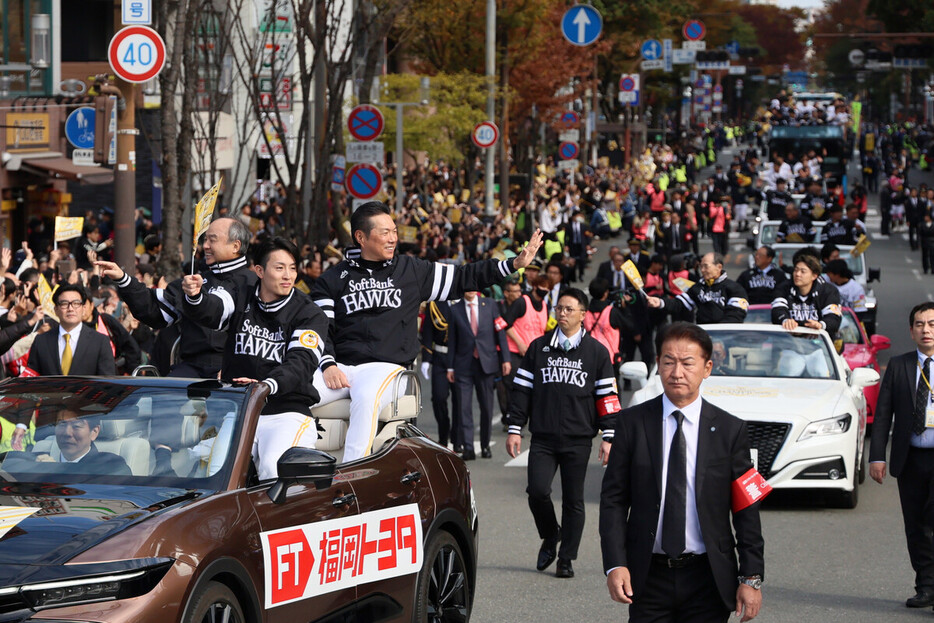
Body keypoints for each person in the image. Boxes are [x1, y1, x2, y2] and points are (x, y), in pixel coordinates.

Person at [310, 202, 543, 462]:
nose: (393, 238)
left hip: (385, 368)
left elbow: (464, 276)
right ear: (360, 237)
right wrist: (328, 364)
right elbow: (320, 329)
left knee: (365, 398)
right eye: (385, 232)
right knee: (291, 392)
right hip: (339, 368)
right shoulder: (331, 280)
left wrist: (513, 264)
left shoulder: (411, 271)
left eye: (394, 231)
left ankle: (351, 475)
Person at [600, 322, 764, 622]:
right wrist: (615, 563)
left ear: (707, 367)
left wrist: (750, 577)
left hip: (708, 576)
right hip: (648, 575)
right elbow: (613, 500)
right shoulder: (632, 423)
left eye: (688, 363)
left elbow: (746, 509)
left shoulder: (730, 430)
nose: (677, 372)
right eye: (668, 362)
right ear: (658, 364)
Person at [181, 237, 328, 480]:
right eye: (279, 268)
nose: (288, 276)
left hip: (287, 412)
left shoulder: (310, 314)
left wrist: (265, 386)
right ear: (259, 270)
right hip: (242, 410)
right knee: (213, 473)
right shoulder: (241, 294)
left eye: (292, 268)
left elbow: (301, 363)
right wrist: (196, 296)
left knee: (274, 468)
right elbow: (214, 312)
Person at [505, 288, 620, 579]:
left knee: (573, 500)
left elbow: (607, 397)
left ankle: (566, 558)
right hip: (543, 437)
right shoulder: (539, 347)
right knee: (537, 492)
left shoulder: (596, 352)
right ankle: (550, 533)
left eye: (569, 309)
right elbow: (522, 391)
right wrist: (515, 429)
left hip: (578, 439)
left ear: (583, 314)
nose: (563, 313)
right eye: (560, 308)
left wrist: (609, 436)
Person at [97, 217, 256, 378]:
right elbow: (155, 309)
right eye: (205, 239)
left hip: (239, 373)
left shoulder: (255, 285)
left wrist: (233, 367)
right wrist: (124, 280)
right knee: (163, 399)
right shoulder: (194, 280)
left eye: (212, 240)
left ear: (236, 246)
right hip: (190, 370)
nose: (205, 245)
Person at [870, 303, 934, 608]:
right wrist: (877, 456)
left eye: (932, 324)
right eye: (920, 325)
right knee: (915, 524)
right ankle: (926, 585)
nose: (926, 330)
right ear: (911, 331)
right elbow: (883, 414)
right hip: (911, 458)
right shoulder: (900, 365)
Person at [445, 291, 510, 460]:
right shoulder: (454, 310)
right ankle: (468, 447)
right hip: (463, 365)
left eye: (473, 286)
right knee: (464, 407)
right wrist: (450, 367)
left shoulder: (489, 305)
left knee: (487, 407)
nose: (470, 290)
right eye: (466, 287)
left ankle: (485, 444)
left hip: (486, 363)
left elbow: (500, 333)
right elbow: (451, 340)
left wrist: (506, 359)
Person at [26, 284, 116, 377]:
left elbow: (107, 381)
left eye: (76, 303)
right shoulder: (41, 341)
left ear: (83, 308)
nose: (70, 309)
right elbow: (32, 381)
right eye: (64, 304)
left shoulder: (100, 341)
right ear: (56, 310)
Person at [646, 252, 749, 324]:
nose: (702, 270)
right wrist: (660, 303)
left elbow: (736, 315)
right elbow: (679, 304)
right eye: (701, 267)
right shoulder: (697, 288)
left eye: (706, 266)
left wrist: (719, 334)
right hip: (703, 336)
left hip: (725, 337)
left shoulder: (735, 288)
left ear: (719, 267)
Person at [35, 409, 131, 475]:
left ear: (94, 432)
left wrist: (55, 472)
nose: (67, 433)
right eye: (62, 424)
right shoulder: (38, 460)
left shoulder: (112, 466)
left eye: (76, 426)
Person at [419, 300, 461, 450]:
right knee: (438, 397)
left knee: (459, 400)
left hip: (459, 358)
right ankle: (444, 435)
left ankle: (457, 439)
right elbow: (428, 332)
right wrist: (426, 359)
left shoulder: (465, 302)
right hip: (439, 357)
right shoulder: (435, 305)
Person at [771, 254, 842, 337]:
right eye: (795, 270)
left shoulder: (828, 291)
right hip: (788, 342)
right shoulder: (783, 287)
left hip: (819, 343)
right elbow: (777, 309)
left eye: (803, 271)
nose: (797, 274)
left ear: (814, 276)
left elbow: (834, 318)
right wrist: (785, 320)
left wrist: (821, 325)